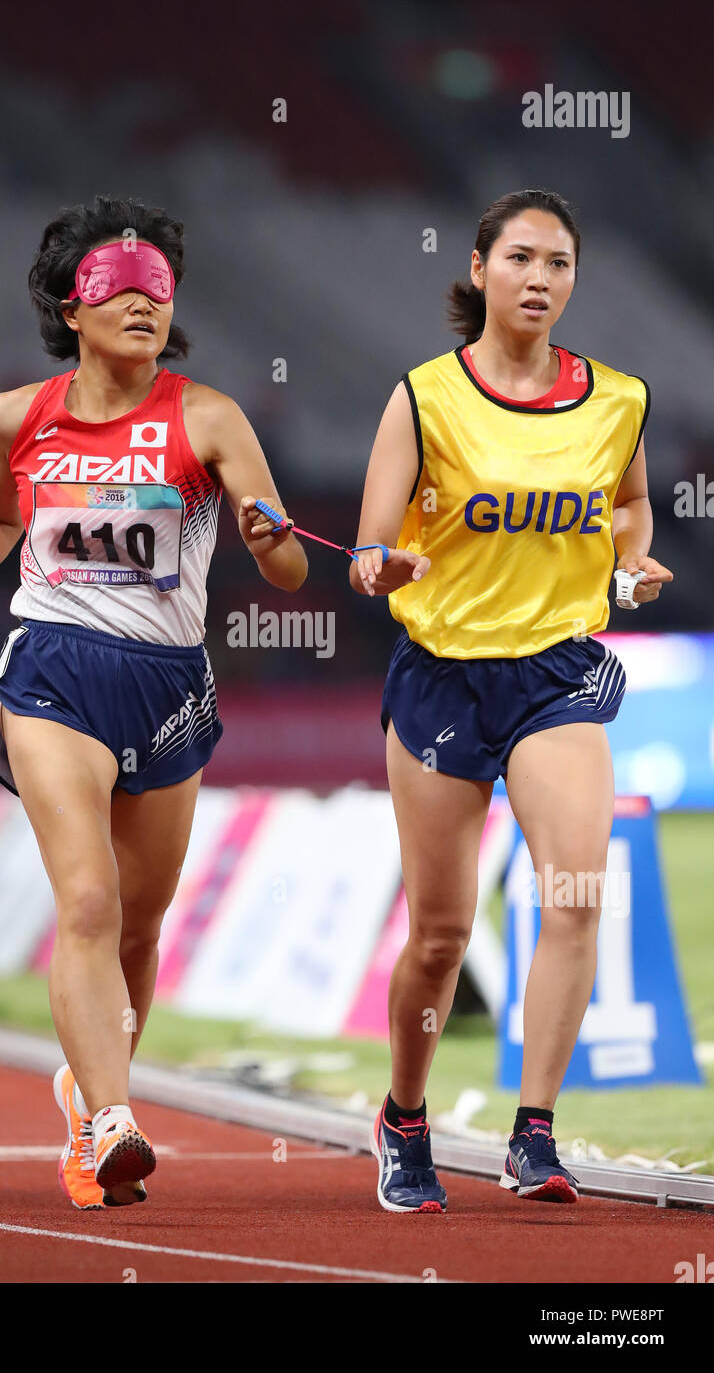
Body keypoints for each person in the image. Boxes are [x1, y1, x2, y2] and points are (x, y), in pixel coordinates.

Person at [0, 195, 306, 1210]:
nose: (142, 303)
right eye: (118, 288)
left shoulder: (208, 416)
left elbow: (291, 568)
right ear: (71, 309)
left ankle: (86, 1089)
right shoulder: (16, 416)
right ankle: (111, 1127)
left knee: (140, 923)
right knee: (85, 897)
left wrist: (267, 536)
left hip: (167, 688)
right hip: (50, 671)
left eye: (158, 290)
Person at [350, 188, 673, 1212]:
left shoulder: (616, 398)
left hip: (553, 672)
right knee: (440, 935)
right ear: (479, 268)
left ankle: (532, 1131)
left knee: (572, 892)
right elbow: (365, 547)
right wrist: (380, 566)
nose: (540, 279)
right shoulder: (423, 396)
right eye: (522, 258)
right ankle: (404, 1117)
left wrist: (632, 561)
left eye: (559, 264)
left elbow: (626, 502)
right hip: (443, 672)